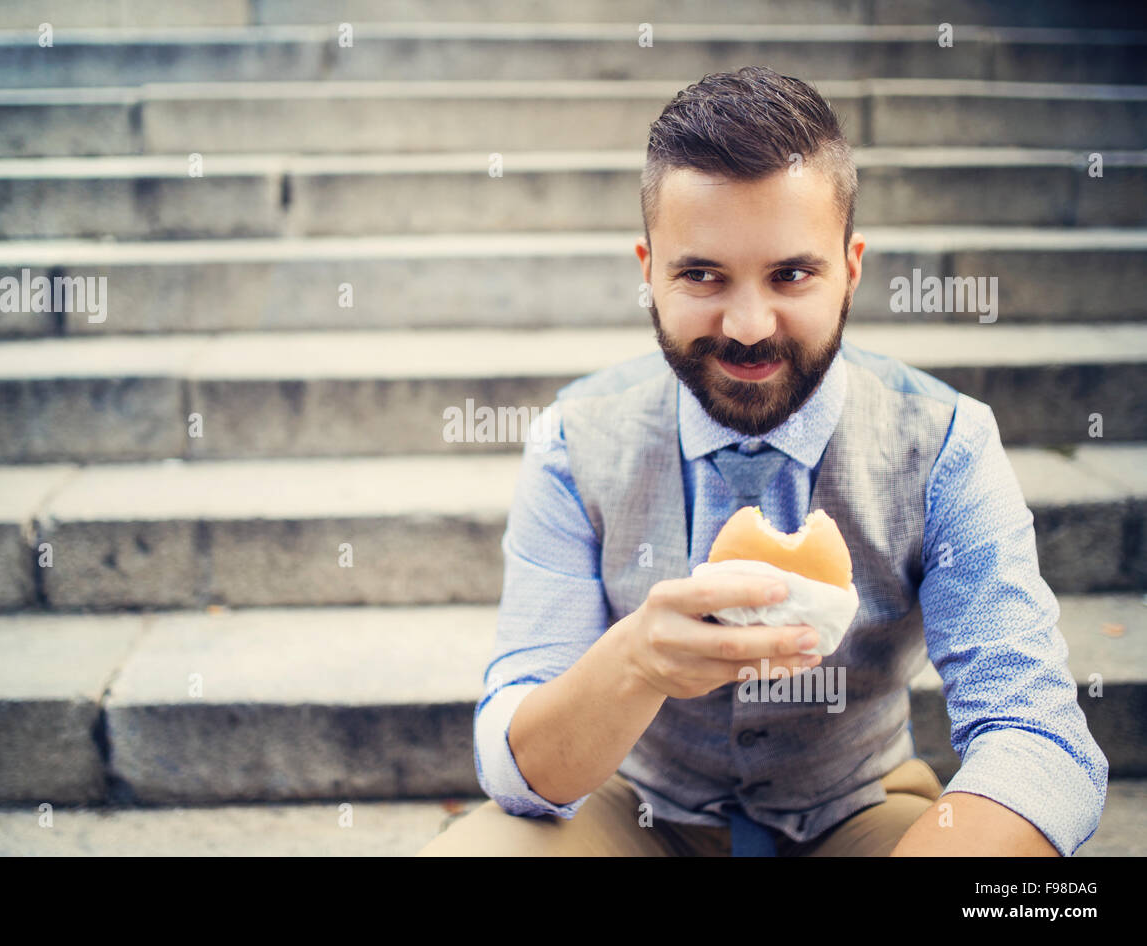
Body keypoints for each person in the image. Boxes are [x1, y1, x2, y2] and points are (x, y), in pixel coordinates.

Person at [417, 66, 1106, 857]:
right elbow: (517, 766)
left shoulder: (946, 442)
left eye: (791, 274)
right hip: (635, 805)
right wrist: (637, 661)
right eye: (703, 274)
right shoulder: (576, 441)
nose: (747, 326)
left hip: (861, 808)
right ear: (648, 272)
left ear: (850, 268)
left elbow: (1040, 738)